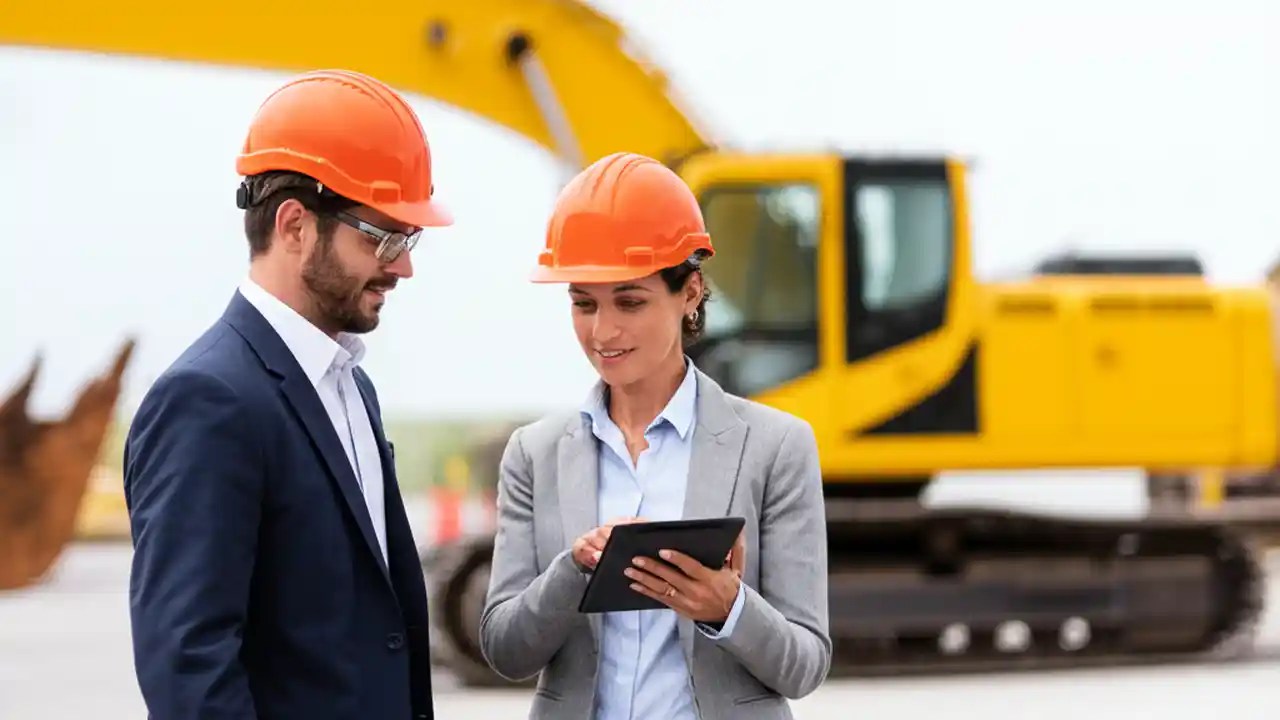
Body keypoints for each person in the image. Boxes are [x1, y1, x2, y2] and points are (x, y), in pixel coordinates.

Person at [122, 69, 450, 720]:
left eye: (409, 239)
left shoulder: (352, 386)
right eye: (383, 236)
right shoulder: (208, 400)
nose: (404, 265)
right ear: (295, 224)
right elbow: (190, 666)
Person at [479, 152, 831, 719]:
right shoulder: (534, 455)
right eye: (583, 304)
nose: (603, 331)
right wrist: (573, 570)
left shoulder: (775, 447)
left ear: (689, 293)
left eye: (630, 301)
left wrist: (727, 607)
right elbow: (505, 650)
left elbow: (805, 664)